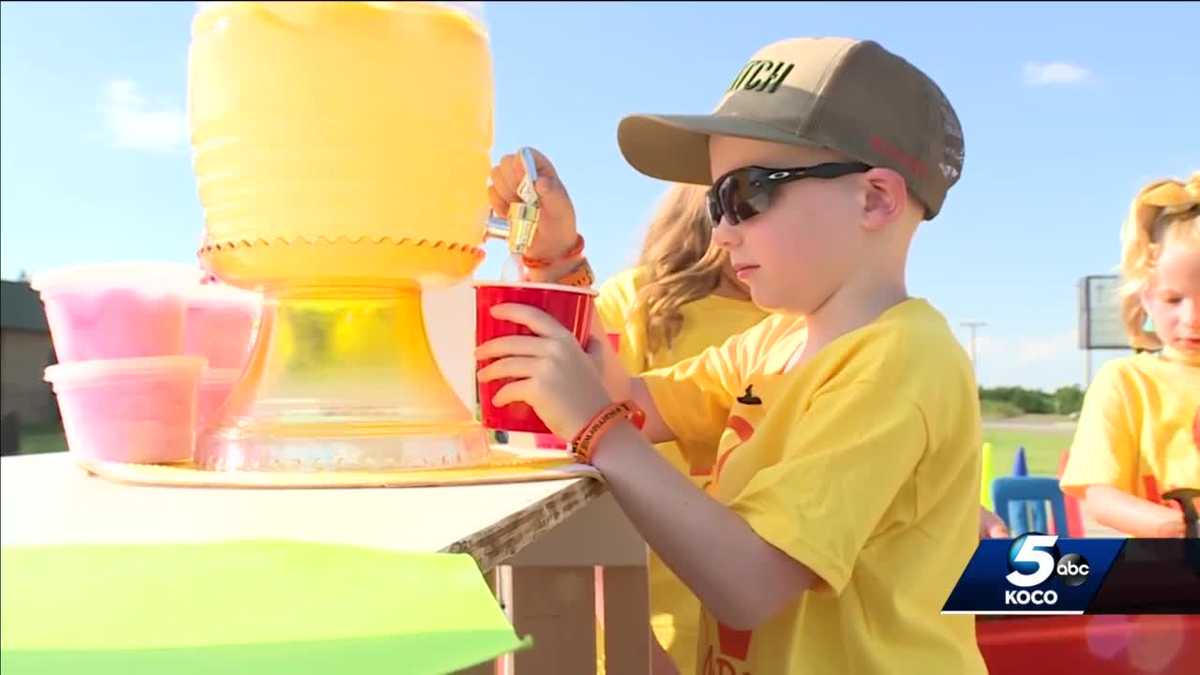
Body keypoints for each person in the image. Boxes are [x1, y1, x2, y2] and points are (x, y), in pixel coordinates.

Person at [477, 36, 987, 673]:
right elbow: (624, 398)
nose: (719, 230)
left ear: (875, 199)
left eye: (746, 194)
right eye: (716, 201)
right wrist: (556, 258)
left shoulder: (901, 361)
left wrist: (599, 433)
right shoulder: (774, 343)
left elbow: (751, 586)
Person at [1060, 174, 1200, 537]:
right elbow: (1098, 495)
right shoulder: (1125, 381)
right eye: (1173, 299)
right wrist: (1177, 527)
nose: (1192, 319)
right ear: (1146, 296)